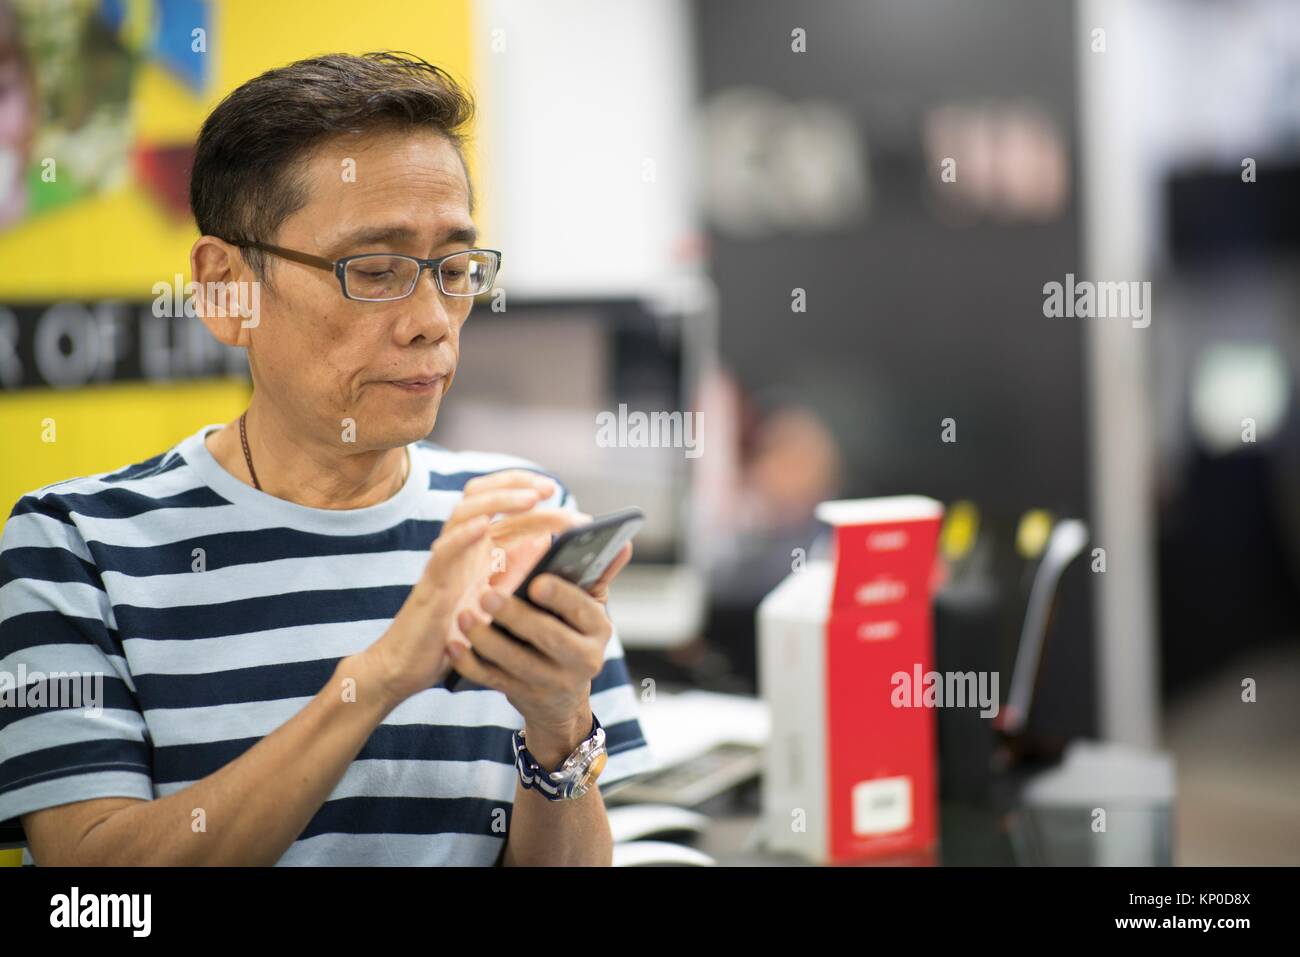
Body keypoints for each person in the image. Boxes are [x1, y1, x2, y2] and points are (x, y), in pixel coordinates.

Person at [0, 52, 655, 866]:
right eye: (374, 271)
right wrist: (376, 679)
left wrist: (560, 731)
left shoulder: (512, 513)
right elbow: (94, 895)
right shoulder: (75, 545)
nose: (431, 321)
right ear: (226, 287)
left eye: (453, 270)